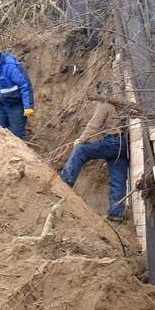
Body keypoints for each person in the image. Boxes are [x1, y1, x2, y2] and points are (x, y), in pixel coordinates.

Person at [59, 84, 136, 220]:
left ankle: (66, 180)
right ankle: (116, 213)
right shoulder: (123, 103)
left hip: (113, 141)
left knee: (81, 150)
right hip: (124, 145)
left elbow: (94, 125)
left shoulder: (105, 104)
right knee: (118, 179)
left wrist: (81, 140)